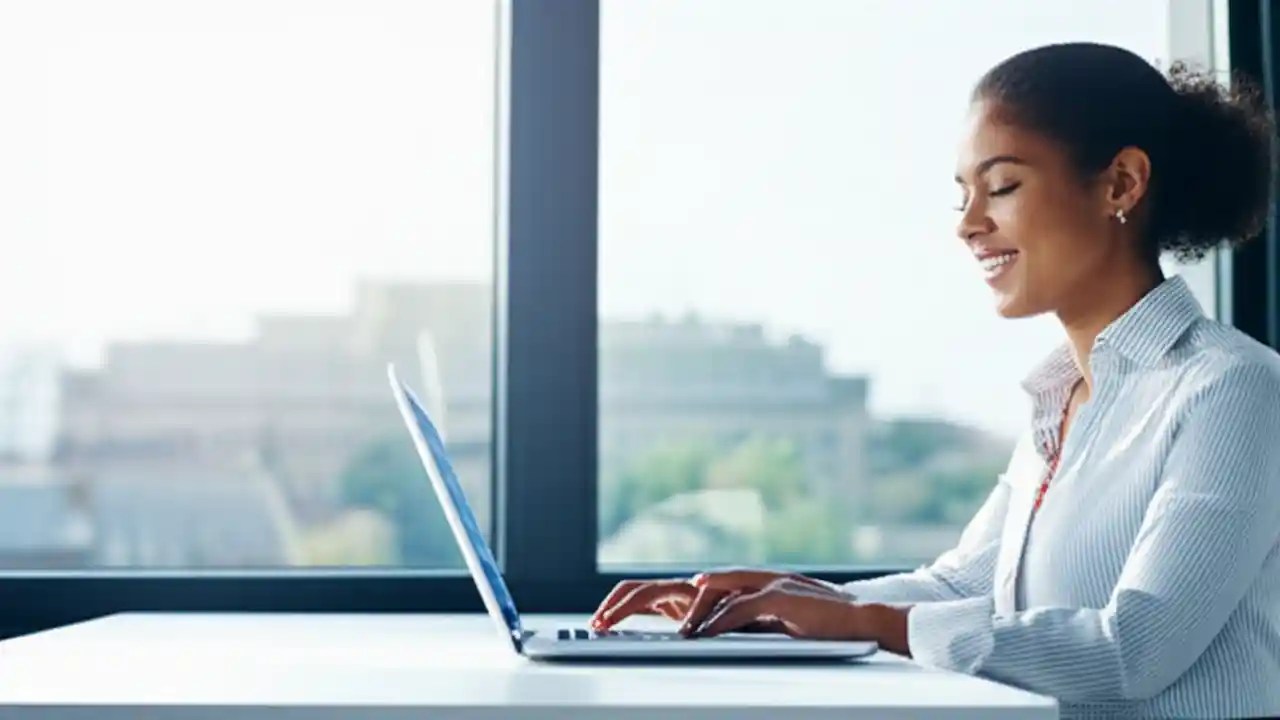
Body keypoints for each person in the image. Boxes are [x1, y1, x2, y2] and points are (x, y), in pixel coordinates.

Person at [590, 42, 1280, 719]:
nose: (969, 225)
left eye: (1003, 186)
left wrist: (870, 625)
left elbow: (1135, 648)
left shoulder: (1231, 389)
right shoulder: (1064, 398)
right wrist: (779, 597)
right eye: (964, 195)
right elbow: (960, 585)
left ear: (1122, 184)